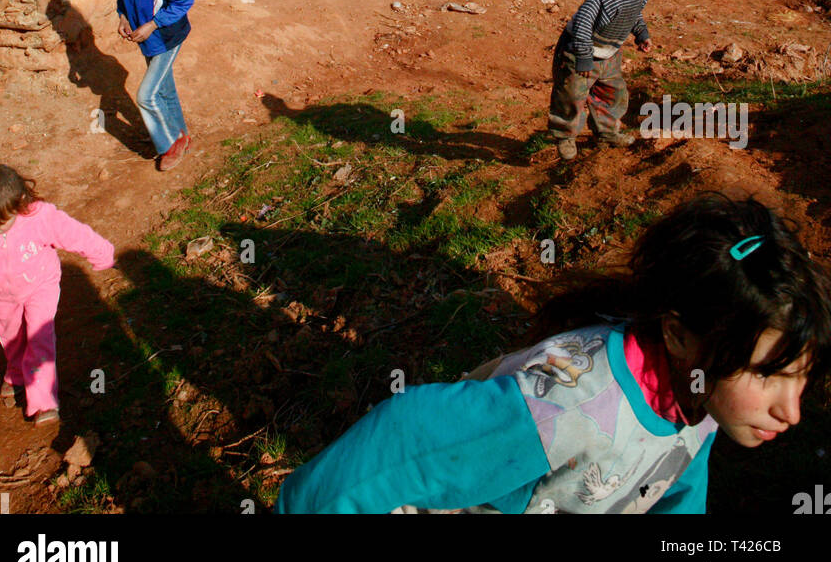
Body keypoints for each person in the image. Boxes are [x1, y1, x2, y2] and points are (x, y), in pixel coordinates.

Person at [277, 192, 831, 514]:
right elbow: (404, 435)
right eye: (768, 375)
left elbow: (675, 486)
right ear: (679, 335)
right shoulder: (563, 411)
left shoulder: (701, 394)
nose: (792, 411)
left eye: (800, 376)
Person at [0, 166, 114, 425]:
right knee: (10, 335)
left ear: (19, 204)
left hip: (41, 286)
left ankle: (43, 401)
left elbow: (74, 234)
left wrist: (102, 253)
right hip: (0, 295)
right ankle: (16, 373)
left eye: (0, 225)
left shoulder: (39, 217)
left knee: (39, 337)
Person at [546, 0, 656, 162]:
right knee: (571, 95)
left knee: (613, 94)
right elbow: (584, 20)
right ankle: (565, 136)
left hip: (610, 52)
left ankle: (606, 133)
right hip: (580, 49)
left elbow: (633, 12)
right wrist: (584, 56)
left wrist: (641, 33)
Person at [95, 0, 195, 172]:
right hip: (149, 41)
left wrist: (153, 24)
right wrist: (123, 17)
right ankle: (182, 136)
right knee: (165, 90)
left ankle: (169, 145)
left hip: (167, 38)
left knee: (146, 96)